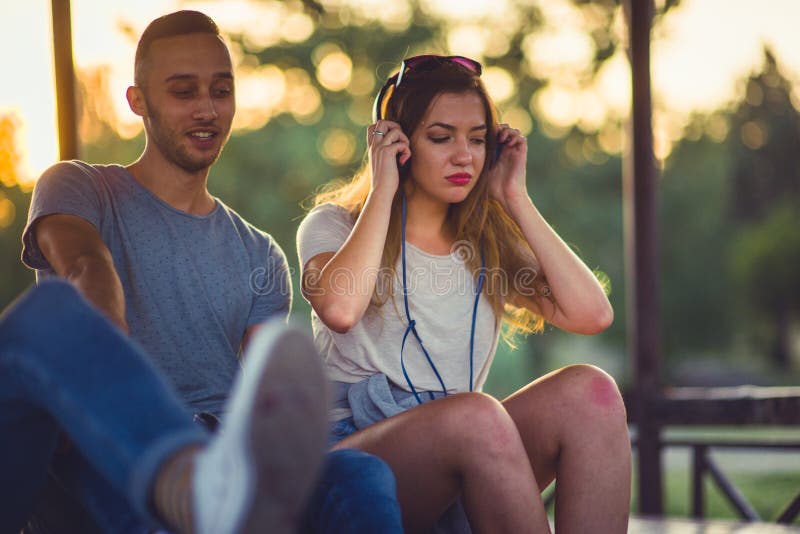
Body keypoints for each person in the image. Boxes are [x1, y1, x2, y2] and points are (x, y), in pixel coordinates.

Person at [6, 10, 402, 534]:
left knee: (359, 473)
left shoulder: (260, 254)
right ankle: (181, 485)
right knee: (47, 313)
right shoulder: (80, 186)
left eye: (221, 90)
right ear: (138, 101)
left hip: (227, 461)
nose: (207, 109)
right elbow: (85, 264)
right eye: (183, 91)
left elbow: (262, 402)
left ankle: (213, 496)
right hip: (104, 454)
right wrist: (111, 352)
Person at [297, 55, 632, 533]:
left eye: (477, 140)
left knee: (591, 393)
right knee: (476, 415)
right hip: (352, 460)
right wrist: (383, 187)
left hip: (470, 440)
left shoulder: (487, 237)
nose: (464, 156)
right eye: (441, 137)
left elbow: (592, 314)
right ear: (396, 140)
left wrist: (514, 197)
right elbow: (340, 308)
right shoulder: (334, 225)